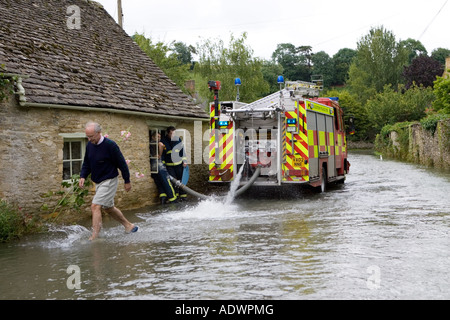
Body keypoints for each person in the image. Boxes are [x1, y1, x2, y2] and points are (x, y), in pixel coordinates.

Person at [79, 122, 138, 240]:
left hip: (109, 180)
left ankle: (95, 236)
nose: (89, 139)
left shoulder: (111, 145)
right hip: (98, 181)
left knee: (95, 206)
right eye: (87, 137)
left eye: (91, 136)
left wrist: (127, 180)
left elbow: (122, 164)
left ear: (99, 133)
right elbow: (87, 162)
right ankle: (129, 226)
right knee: (108, 208)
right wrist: (83, 176)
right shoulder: (90, 145)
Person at [150, 132, 177, 204]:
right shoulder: (158, 143)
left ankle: (163, 199)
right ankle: (173, 199)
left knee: (159, 182)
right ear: (153, 137)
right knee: (166, 181)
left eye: (159, 137)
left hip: (152, 166)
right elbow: (161, 145)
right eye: (157, 136)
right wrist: (160, 155)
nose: (159, 138)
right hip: (159, 164)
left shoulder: (150, 143)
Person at [161, 126, 188, 201]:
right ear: (168, 133)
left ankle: (183, 196)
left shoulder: (178, 139)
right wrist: (163, 165)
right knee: (174, 181)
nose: (173, 135)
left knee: (181, 180)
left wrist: (184, 161)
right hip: (169, 166)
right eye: (171, 134)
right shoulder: (163, 141)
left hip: (179, 165)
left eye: (174, 133)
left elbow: (182, 152)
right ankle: (176, 196)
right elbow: (162, 155)